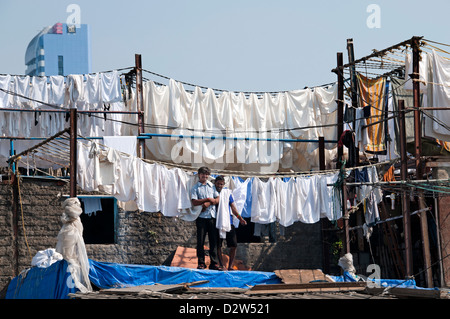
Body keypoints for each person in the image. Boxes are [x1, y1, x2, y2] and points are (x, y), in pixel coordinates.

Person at [214, 175, 247, 271]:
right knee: (218, 245)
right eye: (218, 184)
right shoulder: (213, 192)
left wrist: (240, 218)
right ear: (215, 184)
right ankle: (221, 265)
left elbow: (233, 207)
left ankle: (230, 266)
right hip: (217, 222)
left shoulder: (227, 193)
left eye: (221, 184)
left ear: (224, 184)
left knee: (233, 245)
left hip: (229, 222)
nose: (220, 186)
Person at [191, 166, 221, 270]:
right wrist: (207, 200)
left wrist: (208, 202)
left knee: (213, 241)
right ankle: (201, 263)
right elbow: (194, 201)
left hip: (212, 216)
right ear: (199, 175)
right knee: (200, 241)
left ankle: (214, 263)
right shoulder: (195, 188)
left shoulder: (212, 186)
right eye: (203, 174)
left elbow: (217, 199)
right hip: (201, 217)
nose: (205, 176)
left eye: (207, 174)